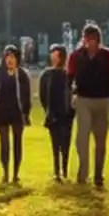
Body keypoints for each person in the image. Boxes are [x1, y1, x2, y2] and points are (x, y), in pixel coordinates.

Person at [66, 24, 109, 188]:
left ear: (98, 40)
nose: (90, 43)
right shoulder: (76, 56)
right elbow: (69, 77)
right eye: (87, 39)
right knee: (82, 138)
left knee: (100, 140)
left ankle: (98, 174)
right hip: (84, 100)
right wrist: (72, 94)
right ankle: (83, 173)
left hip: (103, 100)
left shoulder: (107, 56)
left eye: (93, 39)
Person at [0, 46, 32, 186]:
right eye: (7, 56)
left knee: (17, 143)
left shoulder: (22, 75)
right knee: (4, 144)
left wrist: (26, 113)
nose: (9, 59)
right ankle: (5, 172)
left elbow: (27, 96)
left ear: (17, 59)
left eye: (12, 57)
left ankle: (15, 173)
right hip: (2, 112)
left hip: (17, 113)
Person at [39, 44, 74, 182]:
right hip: (53, 114)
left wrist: (71, 110)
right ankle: (57, 170)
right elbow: (43, 95)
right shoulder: (47, 75)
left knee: (66, 144)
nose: (53, 57)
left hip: (67, 114)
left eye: (56, 54)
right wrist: (47, 110)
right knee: (55, 144)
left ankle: (65, 170)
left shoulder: (68, 75)